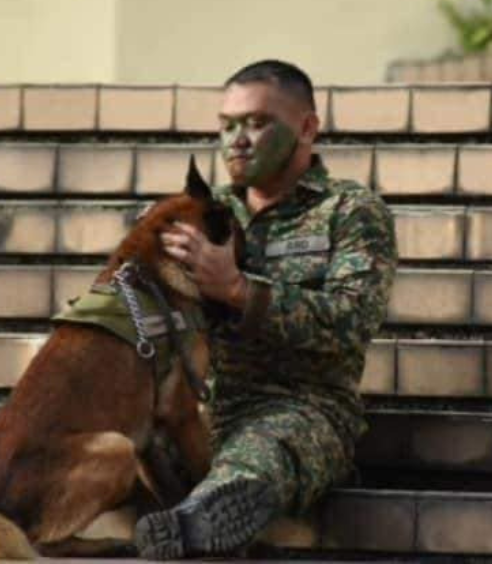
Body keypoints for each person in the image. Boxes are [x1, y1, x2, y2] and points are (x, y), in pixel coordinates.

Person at [135, 59, 397, 558]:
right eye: (227, 125)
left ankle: (197, 525)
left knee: (259, 455)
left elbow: (351, 321)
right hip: (198, 408)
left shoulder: (349, 211)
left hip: (304, 408)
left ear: (307, 128)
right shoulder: (200, 212)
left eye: (257, 124)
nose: (237, 140)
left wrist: (238, 290)